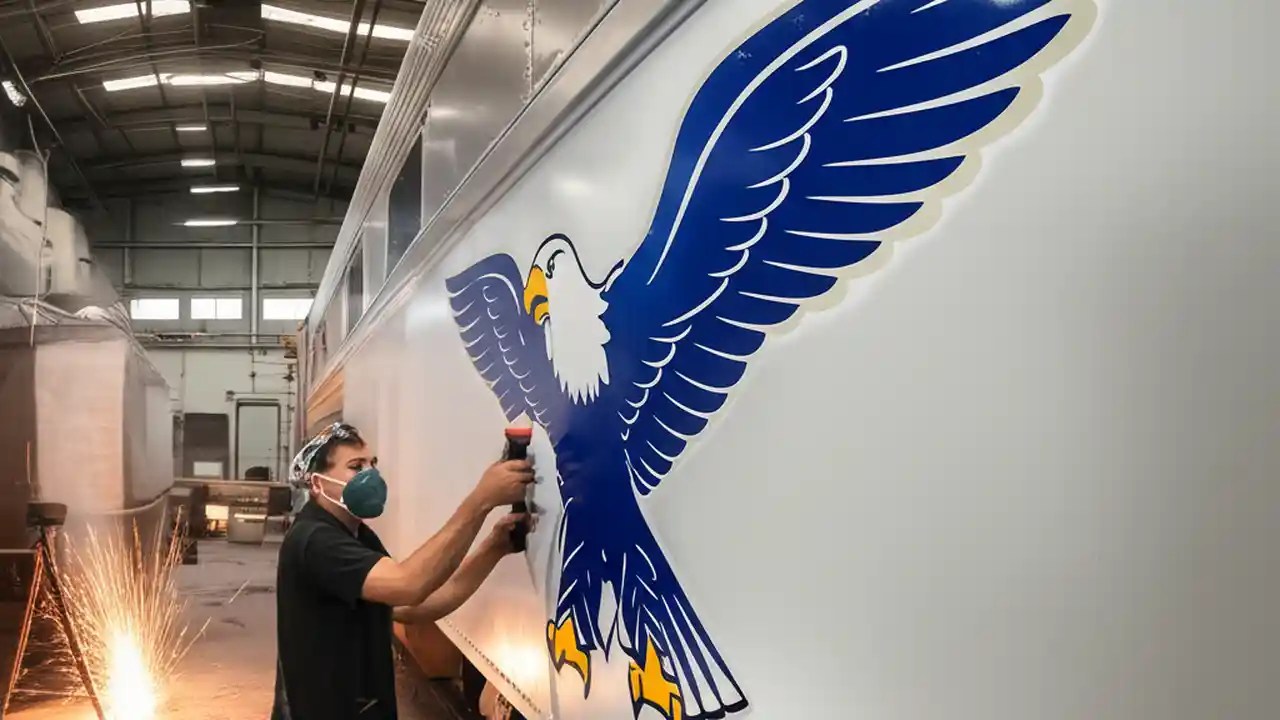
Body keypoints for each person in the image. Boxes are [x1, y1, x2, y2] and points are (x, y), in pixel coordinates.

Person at [272, 422, 533, 720]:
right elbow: (407, 585)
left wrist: (494, 548)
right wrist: (481, 500)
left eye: (373, 464)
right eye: (356, 467)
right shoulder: (315, 540)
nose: (371, 475)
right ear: (317, 484)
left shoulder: (357, 536)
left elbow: (414, 604)